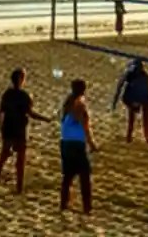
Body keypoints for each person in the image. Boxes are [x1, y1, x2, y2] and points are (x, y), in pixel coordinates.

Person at [0, 68, 53, 194]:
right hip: (19, 129)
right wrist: (46, 119)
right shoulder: (25, 96)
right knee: (20, 160)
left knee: (3, 156)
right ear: (20, 79)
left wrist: (0, 128)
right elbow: (31, 113)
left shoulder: (7, 94)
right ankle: (19, 187)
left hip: (8, 128)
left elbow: (0, 113)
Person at [60, 79, 99, 213]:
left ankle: (64, 203)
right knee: (84, 176)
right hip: (76, 143)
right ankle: (87, 208)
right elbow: (85, 126)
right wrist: (92, 144)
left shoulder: (68, 103)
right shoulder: (79, 105)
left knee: (68, 176)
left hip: (65, 141)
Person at [112, 59, 148, 143]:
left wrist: (115, 101)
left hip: (140, 97)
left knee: (136, 116)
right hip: (135, 97)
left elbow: (120, 86)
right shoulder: (136, 75)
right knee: (135, 115)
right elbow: (120, 86)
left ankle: (139, 136)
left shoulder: (142, 76)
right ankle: (135, 136)